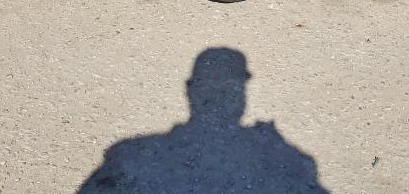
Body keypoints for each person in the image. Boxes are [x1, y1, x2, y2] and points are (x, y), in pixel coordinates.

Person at [79, 48, 328, 193]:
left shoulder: (128, 152)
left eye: (229, 89)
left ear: (189, 90)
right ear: (190, 90)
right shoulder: (290, 159)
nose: (227, 96)